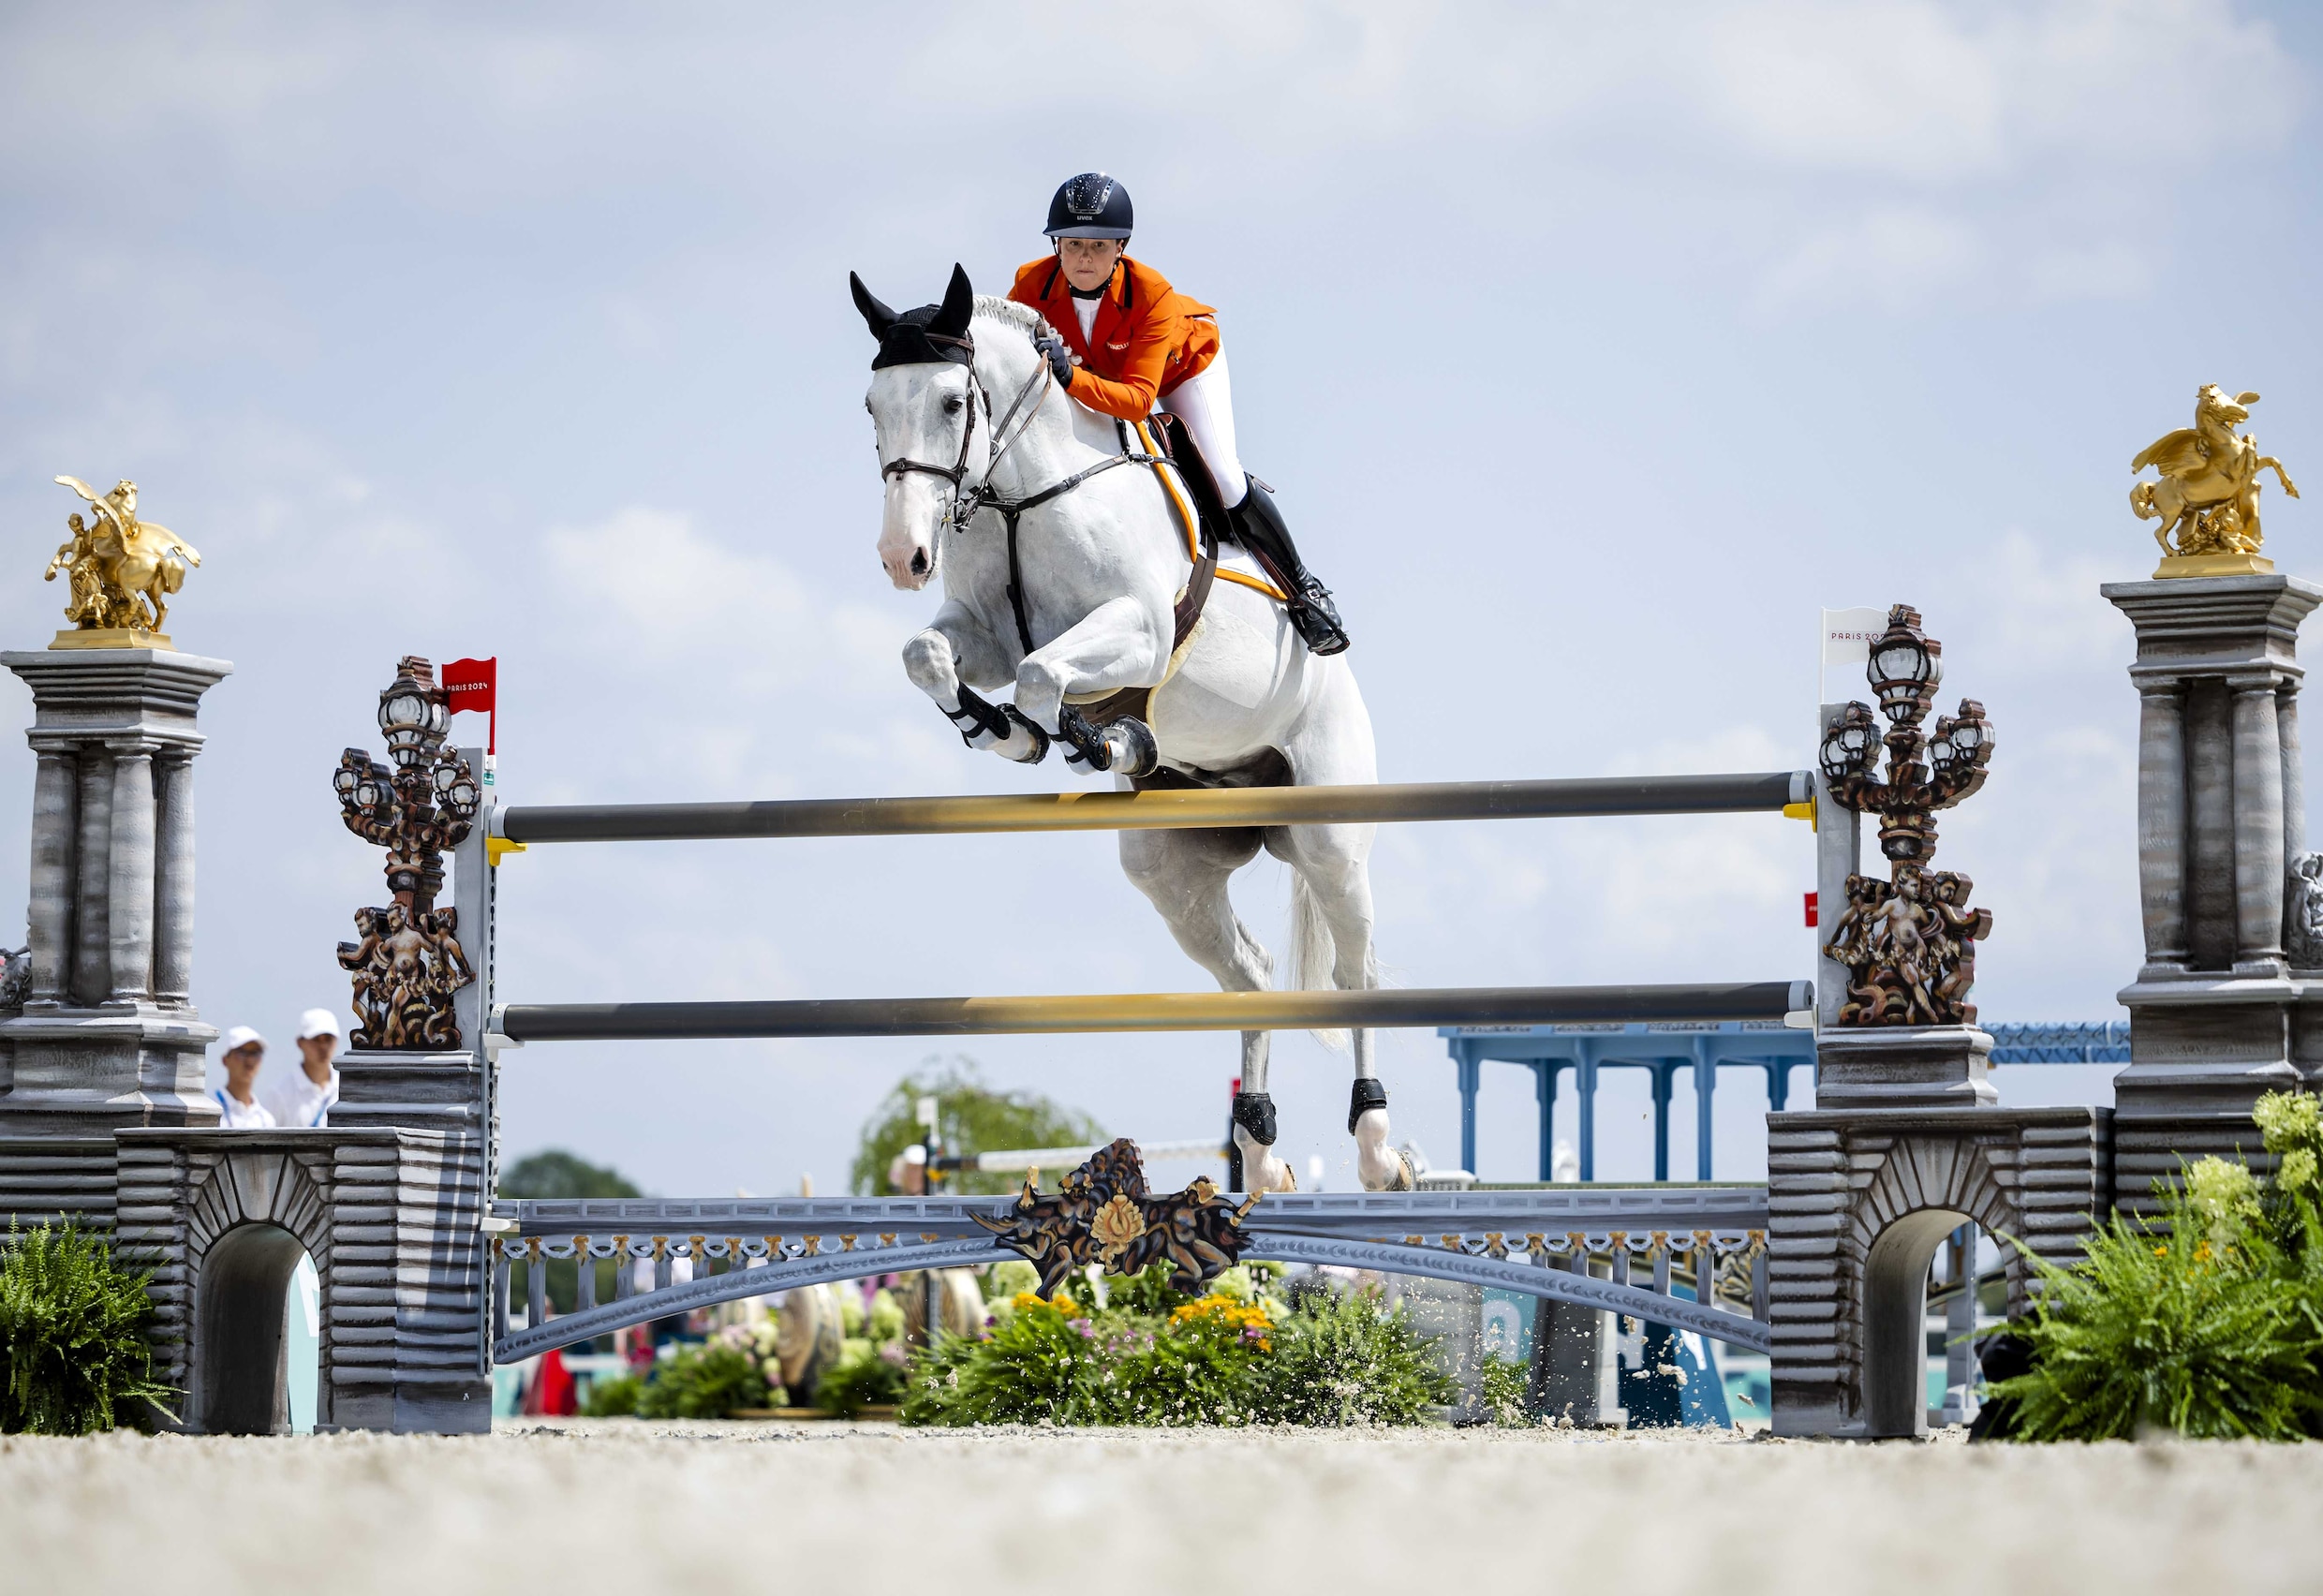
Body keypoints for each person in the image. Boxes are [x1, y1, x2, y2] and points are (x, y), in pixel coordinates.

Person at [1008, 171, 1350, 656]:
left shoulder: (1152, 294)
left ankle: (1303, 591)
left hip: (1181, 369)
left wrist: (1069, 379)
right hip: (1098, 373)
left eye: (1100, 247)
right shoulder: (1029, 284)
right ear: (1057, 243)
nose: (1085, 258)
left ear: (1121, 247)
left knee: (1222, 474)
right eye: (1075, 244)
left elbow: (1137, 401)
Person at [263, 1008, 342, 1129]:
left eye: (328, 1039)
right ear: (300, 1043)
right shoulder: (280, 1094)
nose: (323, 1047)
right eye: (316, 1040)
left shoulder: (344, 1089)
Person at [211, 1025, 276, 1129]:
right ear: (225, 1060)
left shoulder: (266, 1120)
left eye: (255, 1053)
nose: (249, 1061)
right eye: (241, 1053)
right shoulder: (210, 1112)